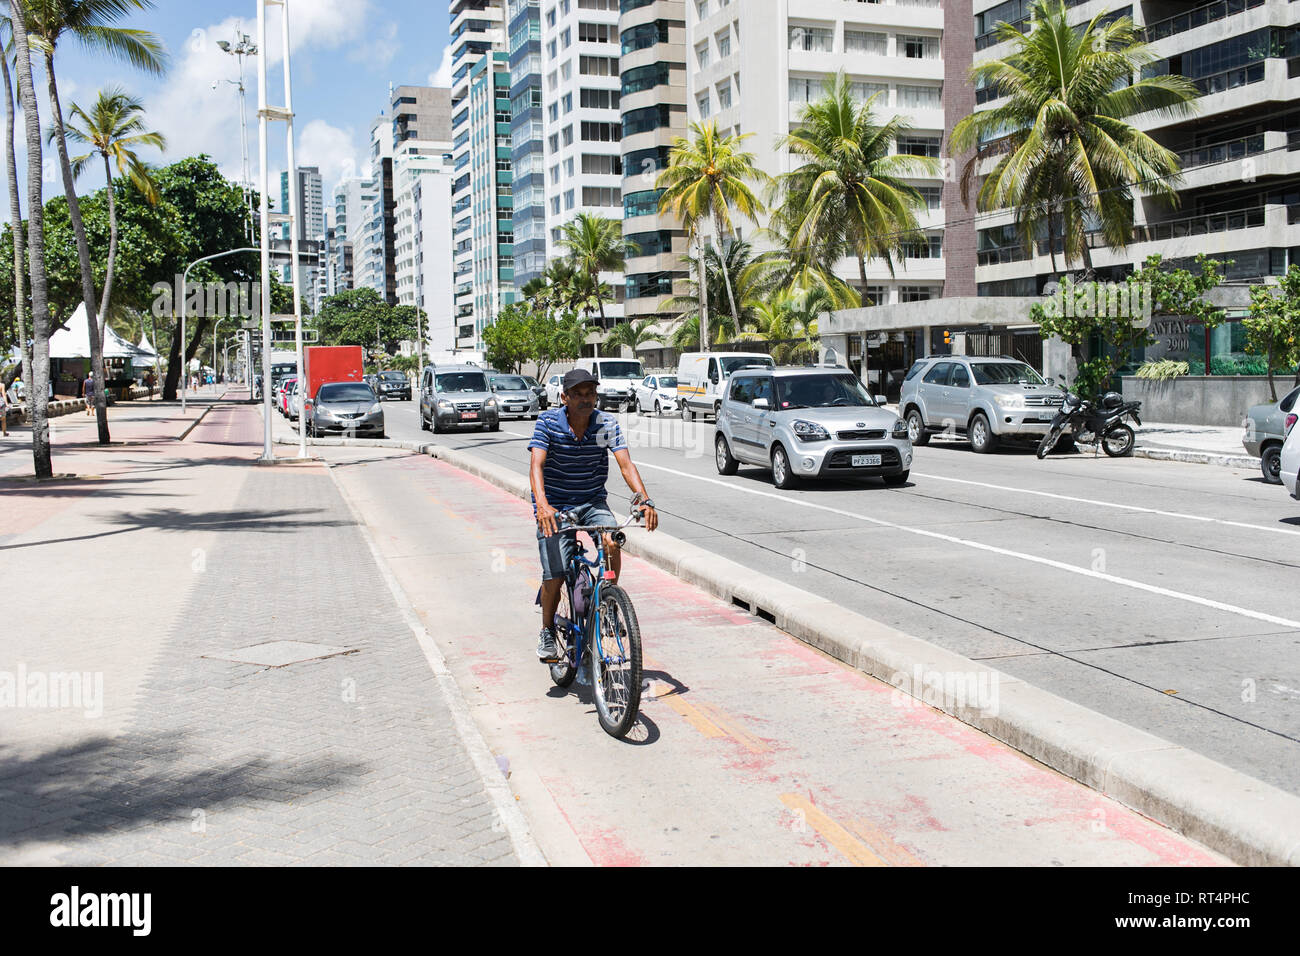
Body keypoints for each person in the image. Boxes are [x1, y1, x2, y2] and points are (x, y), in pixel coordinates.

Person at [528, 368, 659, 663]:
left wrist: (644, 499)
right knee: (556, 574)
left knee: (612, 541)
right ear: (565, 397)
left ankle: (609, 602)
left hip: (592, 501)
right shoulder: (548, 422)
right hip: (556, 506)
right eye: (578, 395)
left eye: (591, 394)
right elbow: (536, 465)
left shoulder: (605, 424)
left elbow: (625, 464)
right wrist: (543, 505)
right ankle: (547, 630)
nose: (586, 400)